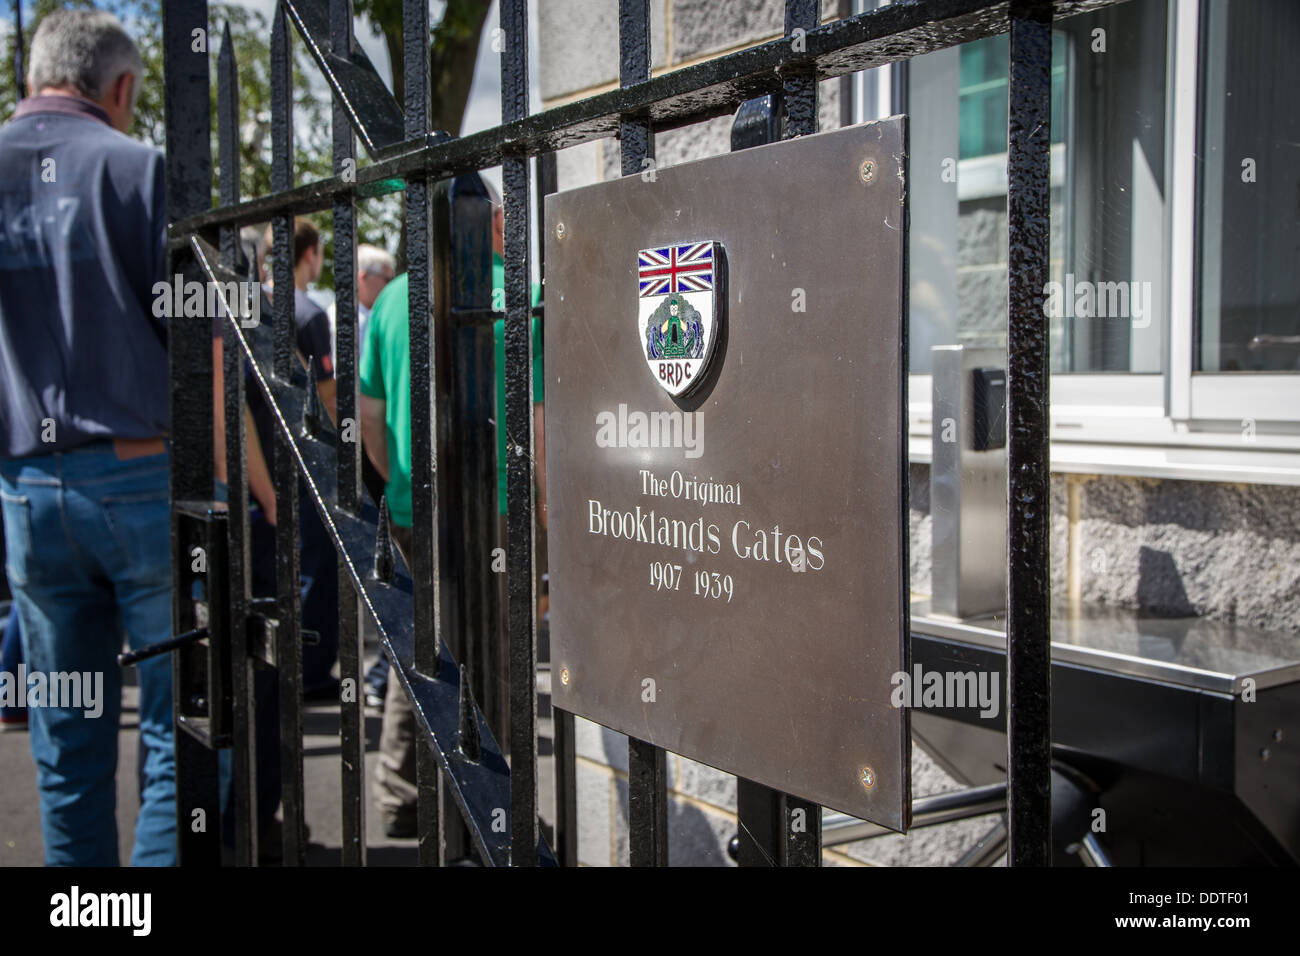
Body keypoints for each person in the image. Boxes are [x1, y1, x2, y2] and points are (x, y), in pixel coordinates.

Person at [0, 9, 176, 865]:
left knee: (66, 741)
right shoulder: (140, 169)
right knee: (177, 737)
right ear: (123, 86)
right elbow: (207, 354)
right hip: (142, 480)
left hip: (28, 491)